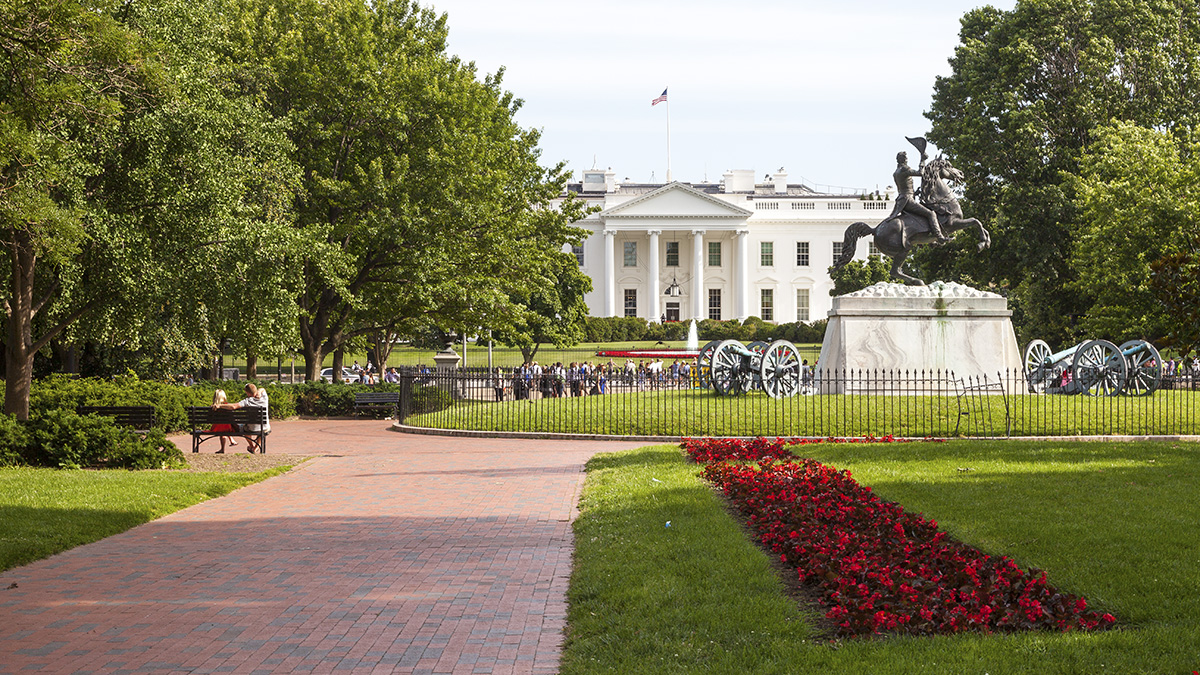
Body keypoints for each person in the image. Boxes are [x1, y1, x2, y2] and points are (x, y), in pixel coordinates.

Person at [888, 150, 946, 246]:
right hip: (908, 199)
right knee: (931, 214)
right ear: (904, 160)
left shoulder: (896, 172)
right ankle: (939, 237)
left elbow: (904, 187)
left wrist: (915, 192)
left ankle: (926, 240)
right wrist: (922, 160)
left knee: (919, 216)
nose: (907, 160)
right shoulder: (904, 169)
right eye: (906, 158)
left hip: (902, 199)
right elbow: (920, 173)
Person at [213, 382, 271, 453]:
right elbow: (263, 389)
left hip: (251, 428)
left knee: (245, 429)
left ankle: (252, 446)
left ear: (248, 393)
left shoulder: (247, 401)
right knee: (262, 431)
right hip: (264, 427)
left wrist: (219, 406)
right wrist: (259, 391)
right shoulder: (264, 398)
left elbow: (233, 406)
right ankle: (256, 448)